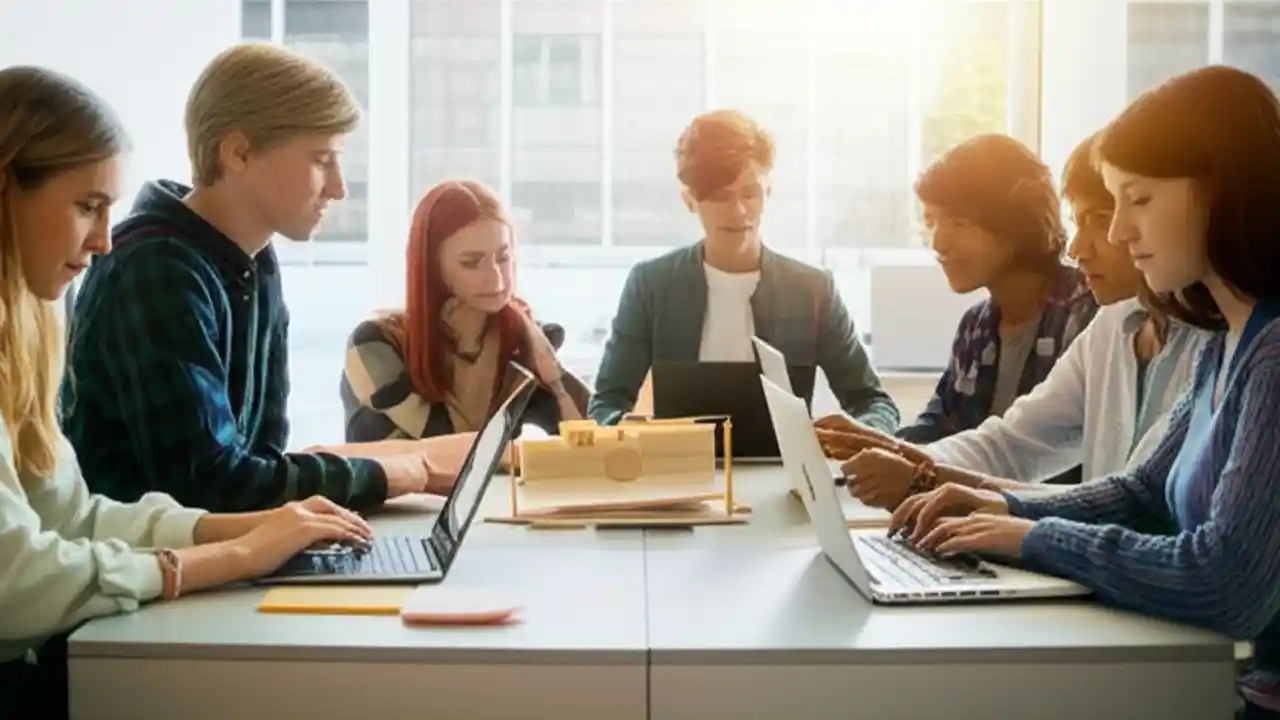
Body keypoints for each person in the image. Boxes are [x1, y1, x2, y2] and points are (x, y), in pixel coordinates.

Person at [893, 66, 1280, 720]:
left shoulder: (1273, 353)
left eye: (1139, 200)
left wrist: (1026, 538)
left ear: (1220, 190)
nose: (1122, 232)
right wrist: (1002, 504)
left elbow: (1226, 583)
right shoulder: (1226, 341)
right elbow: (1143, 491)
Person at [0, 64, 379, 720]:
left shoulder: (27, 328)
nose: (103, 240)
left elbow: (75, 518)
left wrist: (253, 529)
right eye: (86, 206)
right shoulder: (156, 267)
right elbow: (16, 582)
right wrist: (226, 555)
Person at [61, 43, 450, 512]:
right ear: (239, 153)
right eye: (321, 160)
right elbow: (210, 483)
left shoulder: (254, 257)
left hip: (217, 553)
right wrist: (382, 477)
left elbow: (259, 458)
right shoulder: (154, 269)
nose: (339, 187)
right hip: (151, 569)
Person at [817, 133, 1207, 510]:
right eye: (933, 222)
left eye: (959, 222)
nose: (1077, 246)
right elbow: (1008, 443)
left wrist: (924, 478)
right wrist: (893, 451)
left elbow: (1121, 503)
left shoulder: (1104, 315)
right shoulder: (1107, 325)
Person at [588, 109, 898, 431]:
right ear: (690, 200)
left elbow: (873, 402)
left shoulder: (813, 289)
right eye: (721, 197)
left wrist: (859, 437)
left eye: (750, 193)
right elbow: (607, 402)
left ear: (768, 192)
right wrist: (625, 431)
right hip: (680, 470)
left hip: (783, 473)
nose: (738, 212)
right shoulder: (651, 285)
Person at [886, 134, 1098, 451]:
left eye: (959, 222)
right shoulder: (976, 325)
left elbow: (1066, 459)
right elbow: (937, 426)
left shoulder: (1088, 313)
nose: (939, 243)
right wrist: (871, 445)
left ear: (1014, 222)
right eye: (932, 222)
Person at [341, 179, 589, 441]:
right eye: (471, 263)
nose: (496, 278)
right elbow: (453, 446)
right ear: (432, 268)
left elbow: (596, 435)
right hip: (397, 483)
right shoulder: (375, 344)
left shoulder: (516, 338)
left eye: (503, 257)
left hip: (491, 484)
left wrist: (553, 377)